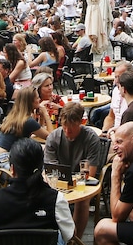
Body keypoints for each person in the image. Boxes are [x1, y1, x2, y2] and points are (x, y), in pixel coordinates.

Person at [44, 100, 106, 234]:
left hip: (81, 183)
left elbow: (91, 172)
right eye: (64, 127)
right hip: (59, 182)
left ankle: (75, 240)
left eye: (71, 129)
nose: (67, 132)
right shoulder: (54, 137)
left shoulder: (90, 138)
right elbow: (50, 169)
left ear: (80, 123)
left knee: (83, 201)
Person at [0, 87, 49, 161]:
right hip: (6, 160)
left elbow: (37, 131)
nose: (39, 100)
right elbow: (51, 138)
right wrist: (46, 114)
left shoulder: (14, 115)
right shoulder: (28, 121)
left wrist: (41, 117)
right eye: (38, 98)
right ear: (30, 102)